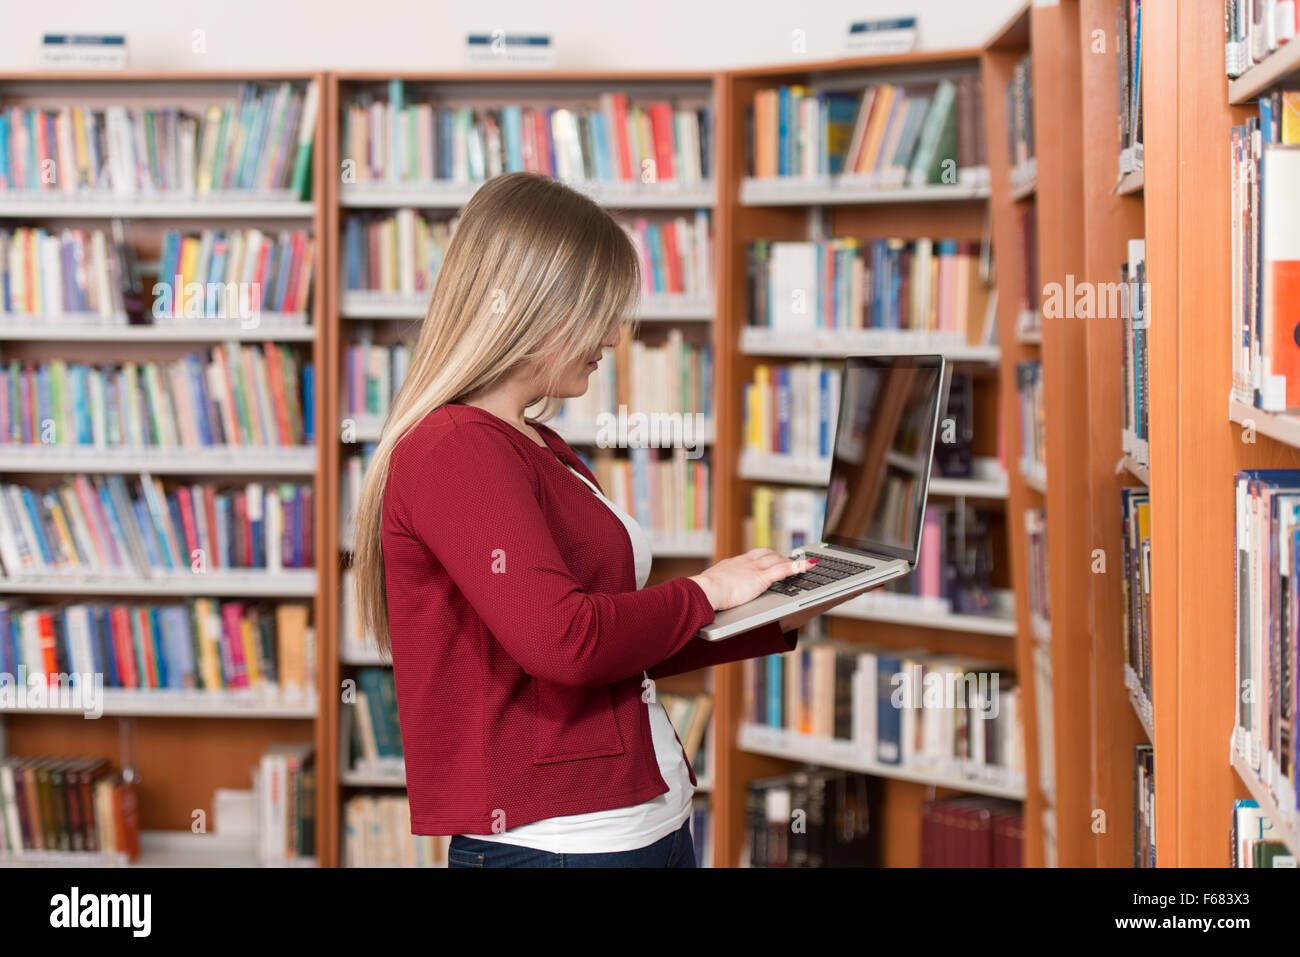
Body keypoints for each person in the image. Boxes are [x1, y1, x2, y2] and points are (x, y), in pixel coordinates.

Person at [350, 171, 821, 868]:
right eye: (596, 311)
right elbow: (564, 642)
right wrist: (707, 590)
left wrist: (769, 613)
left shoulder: (535, 441)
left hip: (634, 822)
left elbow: (610, 640)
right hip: (563, 844)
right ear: (531, 307)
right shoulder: (457, 447)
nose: (611, 335)